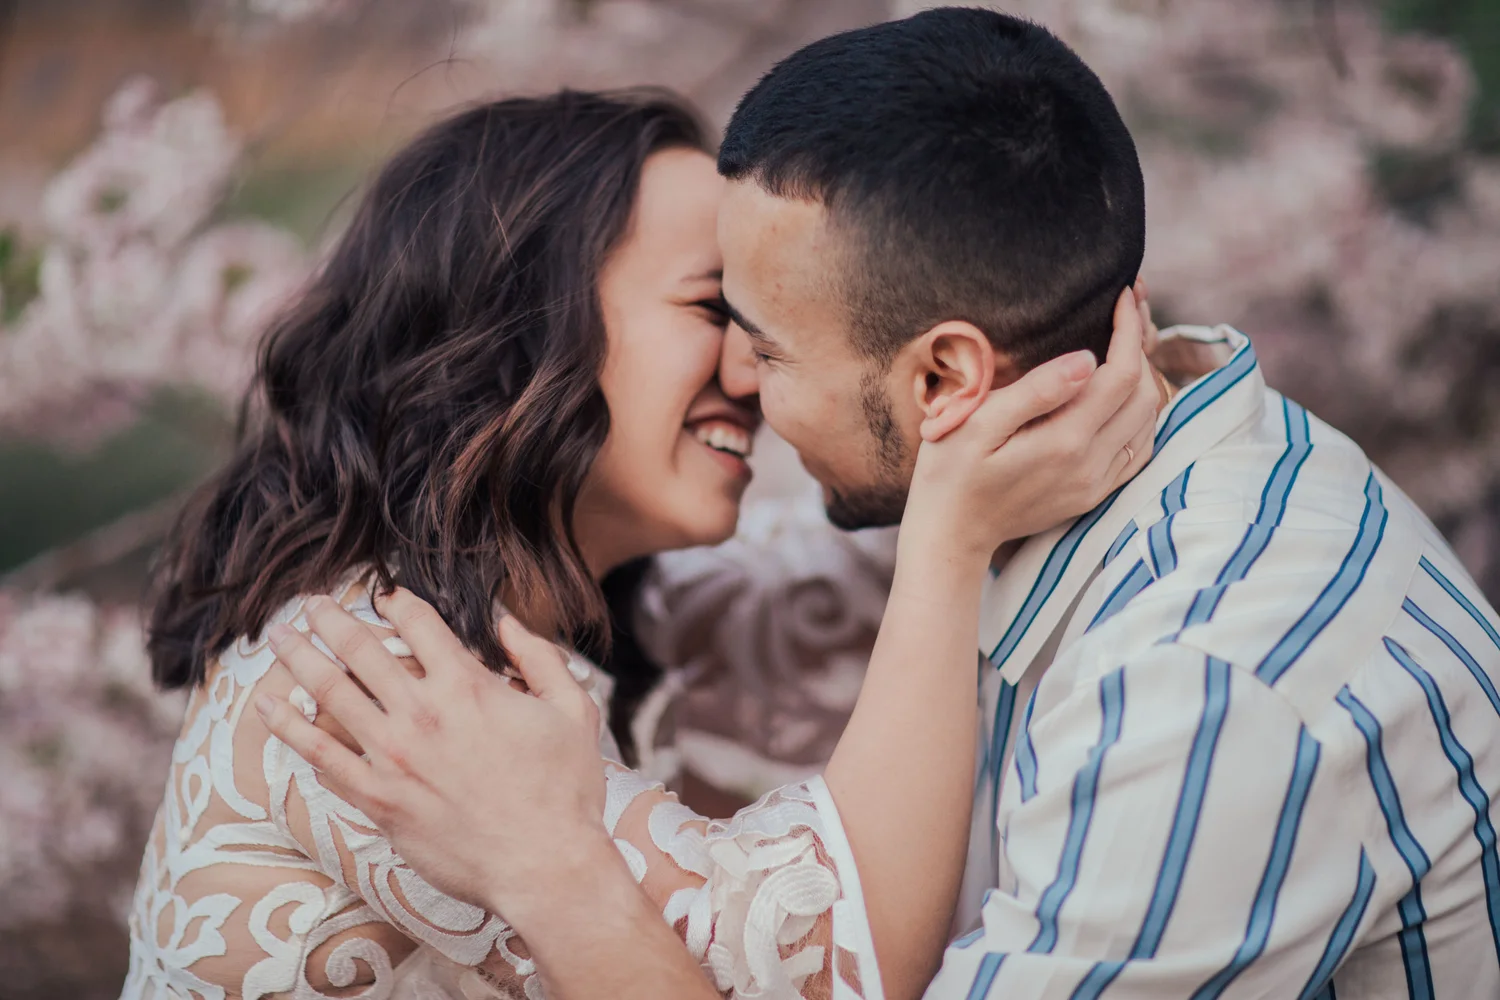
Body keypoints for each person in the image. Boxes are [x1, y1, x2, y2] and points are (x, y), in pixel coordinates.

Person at [261, 8, 1500, 1000]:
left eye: (765, 344)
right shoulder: (1150, 468)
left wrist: (546, 869)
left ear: (945, 379)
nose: (742, 379)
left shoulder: (1204, 688)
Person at [122, 86, 1158, 1000]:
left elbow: (842, 576)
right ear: (520, 324)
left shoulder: (583, 604)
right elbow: (838, 964)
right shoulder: (368, 676)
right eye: (716, 308)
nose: (754, 372)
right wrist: (949, 538)